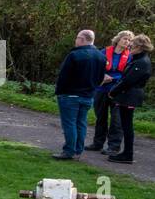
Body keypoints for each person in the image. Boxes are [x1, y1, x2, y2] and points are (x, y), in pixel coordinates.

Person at [53, 29, 106, 160]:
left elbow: (63, 76)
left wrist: (60, 92)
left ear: (82, 39)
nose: (75, 40)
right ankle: (78, 149)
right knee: (81, 123)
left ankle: (69, 150)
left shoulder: (74, 55)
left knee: (69, 123)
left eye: (77, 38)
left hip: (70, 94)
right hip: (88, 95)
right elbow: (100, 78)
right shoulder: (101, 56)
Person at [107, 32, 151, 164]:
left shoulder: (141, 62)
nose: (130, 46)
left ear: (140, 46)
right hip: (128, 95)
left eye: (133, 44)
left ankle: (128, 154)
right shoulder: (138, 59)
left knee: (127, 126)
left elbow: (128, 81)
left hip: (130, 96)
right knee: (126, 125)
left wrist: (113, 92)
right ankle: (126, 153)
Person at [87, 30, 133, 154]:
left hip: (118, 92)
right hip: (101, 89)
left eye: (129, 40)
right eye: (125, 39)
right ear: (118, 39)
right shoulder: (104, 52)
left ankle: (113, 146)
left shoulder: (130, 57)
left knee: (116, 120)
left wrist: (112, 78)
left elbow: (128, 75)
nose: (127, 41)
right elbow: (95, 68)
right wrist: (103, 75)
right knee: (100, 118)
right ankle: (97, 143)